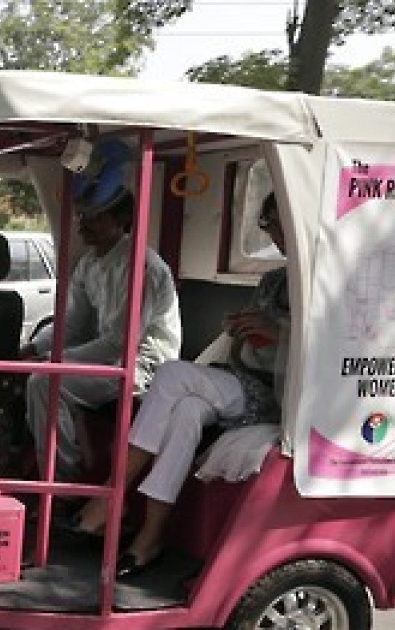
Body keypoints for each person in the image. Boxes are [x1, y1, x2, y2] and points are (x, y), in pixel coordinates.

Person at [71, 192, 289, 579]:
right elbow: (244, 348)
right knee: (186, 411)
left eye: (275, 219)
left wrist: (281, 334)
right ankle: (151, 537)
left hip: (284, 392)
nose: (271, 229)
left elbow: (332, 349)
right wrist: (239, 331)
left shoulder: (326, 284)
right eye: (267, 221)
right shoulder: (272, 282)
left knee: (171, 373)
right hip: (242, 377)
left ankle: (113, 493)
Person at [20, 185, 181, 482]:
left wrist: (53, 359)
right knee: (30, 374)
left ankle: (60, 484)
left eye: (94, 216)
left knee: (44, 382)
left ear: (121, 219)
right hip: (109, 361)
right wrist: (31, 349)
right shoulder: (90, 264)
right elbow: (72, 325)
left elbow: (120, 343)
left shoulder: (141, 266)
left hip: (142, 368)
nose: (83, 224)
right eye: (82, 215)